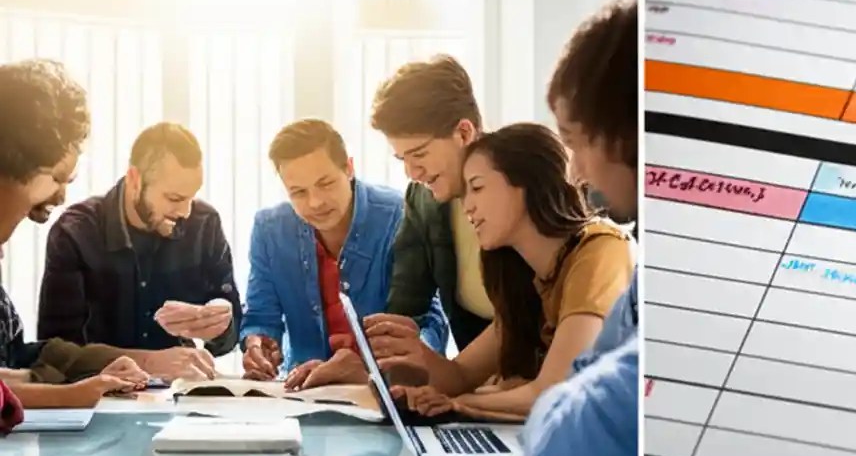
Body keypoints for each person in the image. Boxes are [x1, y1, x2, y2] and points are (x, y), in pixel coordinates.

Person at [364, 123, 633, 420]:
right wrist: (416, 358)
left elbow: (554, 390)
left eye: (477, 188)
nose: (468, 206)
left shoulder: (601, 250)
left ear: (529, 184)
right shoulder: (527, 277)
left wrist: (461, 403)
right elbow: (462, 374)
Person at [0, 60, 210, 418]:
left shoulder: (205, 225)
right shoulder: (77, 230)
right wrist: (72, 394)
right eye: (57, 177)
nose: (61, 195)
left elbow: (22, 355)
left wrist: (105, 367)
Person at [521, 0, 640, 456]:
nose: (577, 172)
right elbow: (578, 379)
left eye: (576, 142)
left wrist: (555, 402)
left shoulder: (602, 248)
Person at [238, 119, 448, 386]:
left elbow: (428, 322)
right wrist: (259, 343)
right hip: (304, 392)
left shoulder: (400, 215)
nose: (315, 202)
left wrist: (376, 367)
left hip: (386, 391)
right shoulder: (269, 230)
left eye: (325, 183)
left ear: (349, 168)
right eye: (298, 192)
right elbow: (260, 315)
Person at [38, 122, 242, 363]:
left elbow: (234, 326)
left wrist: (219, 323)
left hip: (178, 394)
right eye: (174, 198)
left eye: (191, 197)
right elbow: (56, 351)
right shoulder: (75, 233)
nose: (186, 212)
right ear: (135, 179)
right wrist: (151, 363)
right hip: (98, 396)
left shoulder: (204, 223)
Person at [369, 55, 493, 353]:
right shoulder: (422, 200)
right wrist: (362, 360)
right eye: (403, 159)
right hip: (475, 382)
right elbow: (405, 305)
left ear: (464, 133)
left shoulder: (527, 185)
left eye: (419, 154)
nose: (412, 173)